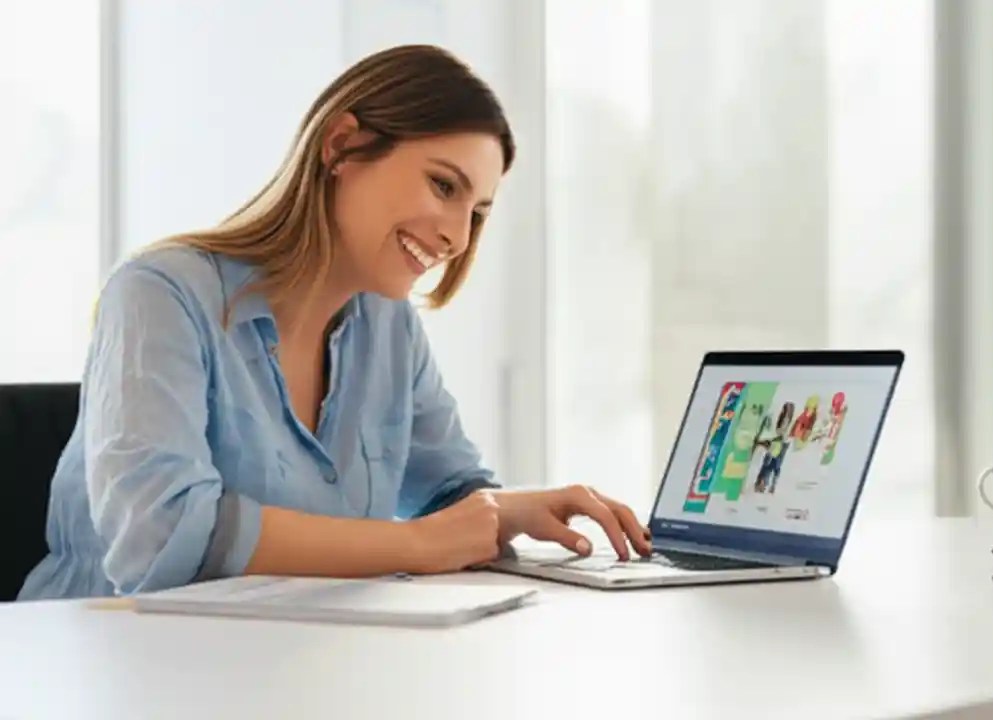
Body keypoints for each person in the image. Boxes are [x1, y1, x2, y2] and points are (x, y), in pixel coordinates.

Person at [19, 45, 650, 601]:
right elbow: (157, 538)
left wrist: (505, 510)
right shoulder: (161, 294)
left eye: (477, 213)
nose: (457, 237)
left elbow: (446, 499)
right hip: (105, 665)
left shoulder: (390, 328)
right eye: (443, 186)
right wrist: (414, 547)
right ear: (343, 145)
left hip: (294, 664)